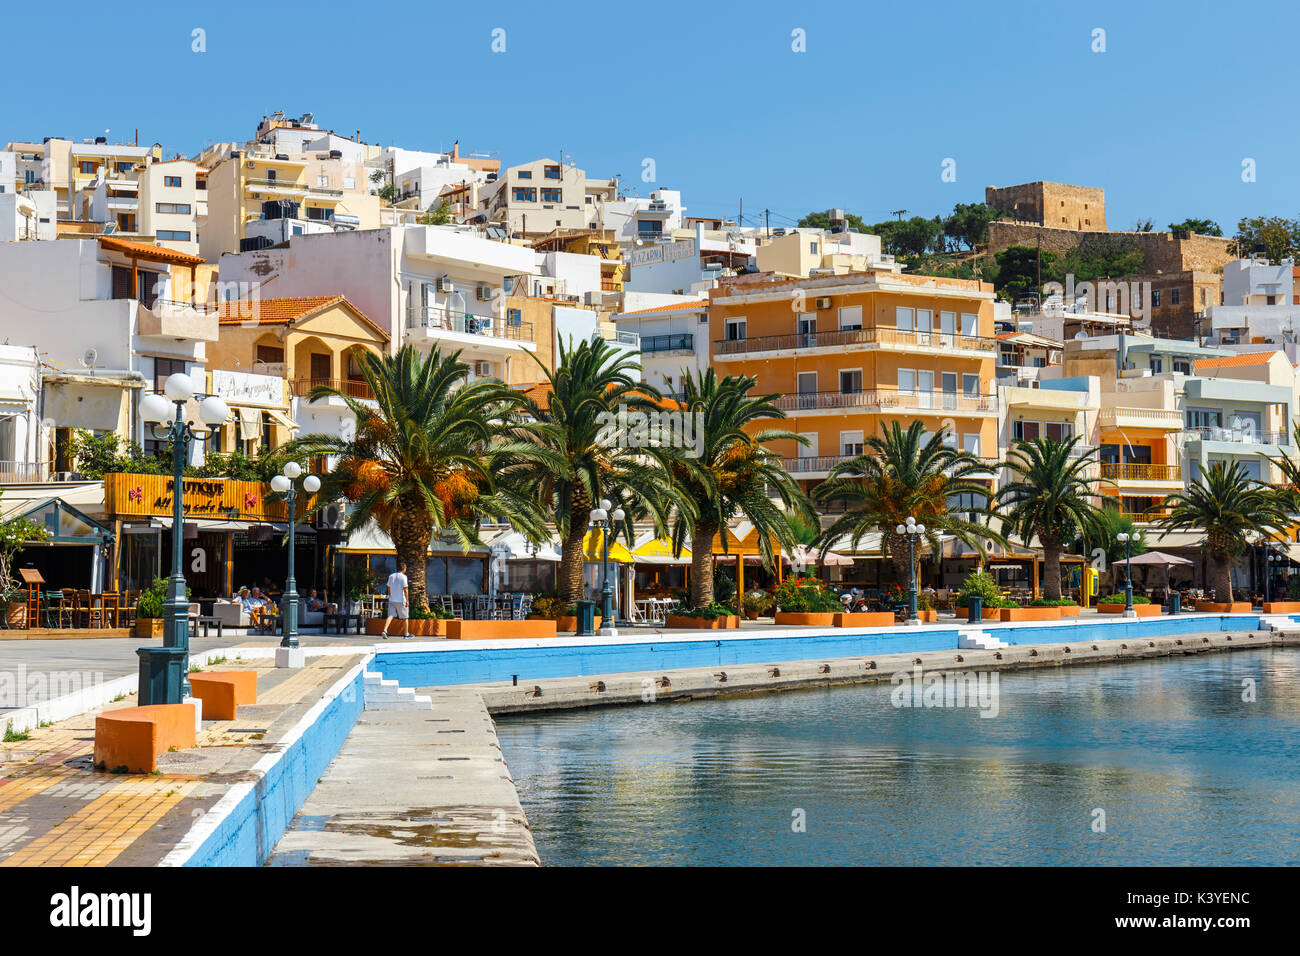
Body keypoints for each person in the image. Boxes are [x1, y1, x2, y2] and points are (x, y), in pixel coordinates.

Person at [381, 563, 410, 639]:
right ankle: (406, 634)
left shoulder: (391, 576)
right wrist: (407, 600)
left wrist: (390, 595)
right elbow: (406, 589)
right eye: (405, 568)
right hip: (401, 600)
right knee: (405, 617)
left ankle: (385, 630)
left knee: (390, 615)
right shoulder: (404, 577)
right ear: (403, 568)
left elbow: (388, 587)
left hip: (392, 599)